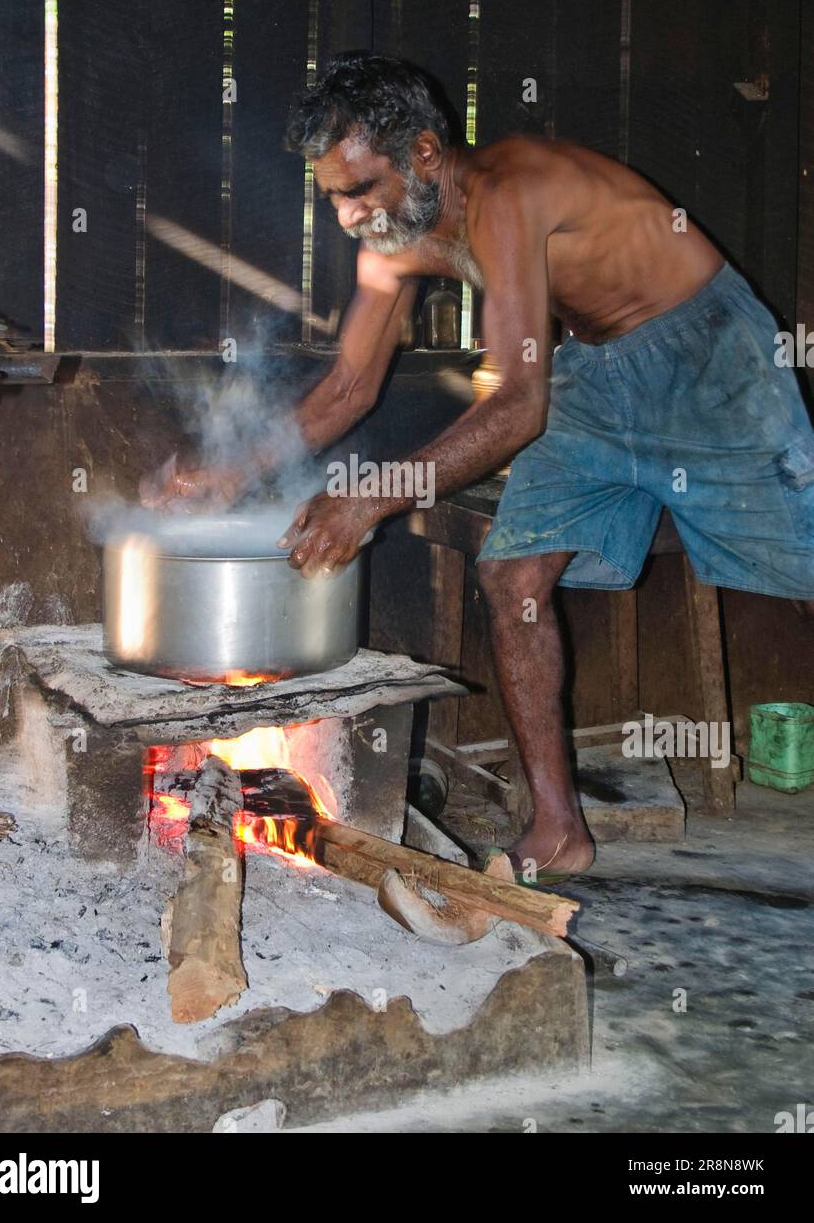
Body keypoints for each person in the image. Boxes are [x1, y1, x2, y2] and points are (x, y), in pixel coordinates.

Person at [143, 53, 814, 881]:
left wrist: (367, 501)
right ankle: (559, 829)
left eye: (362, 190)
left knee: (805, 559)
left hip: (708, 355)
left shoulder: (509, 191)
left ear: (426, 153)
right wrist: (228, 477)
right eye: (335, 197)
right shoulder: (391, 240)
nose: (348, 216)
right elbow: (349, 387)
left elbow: (520, 404)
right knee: (512, 582)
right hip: (599, 375)